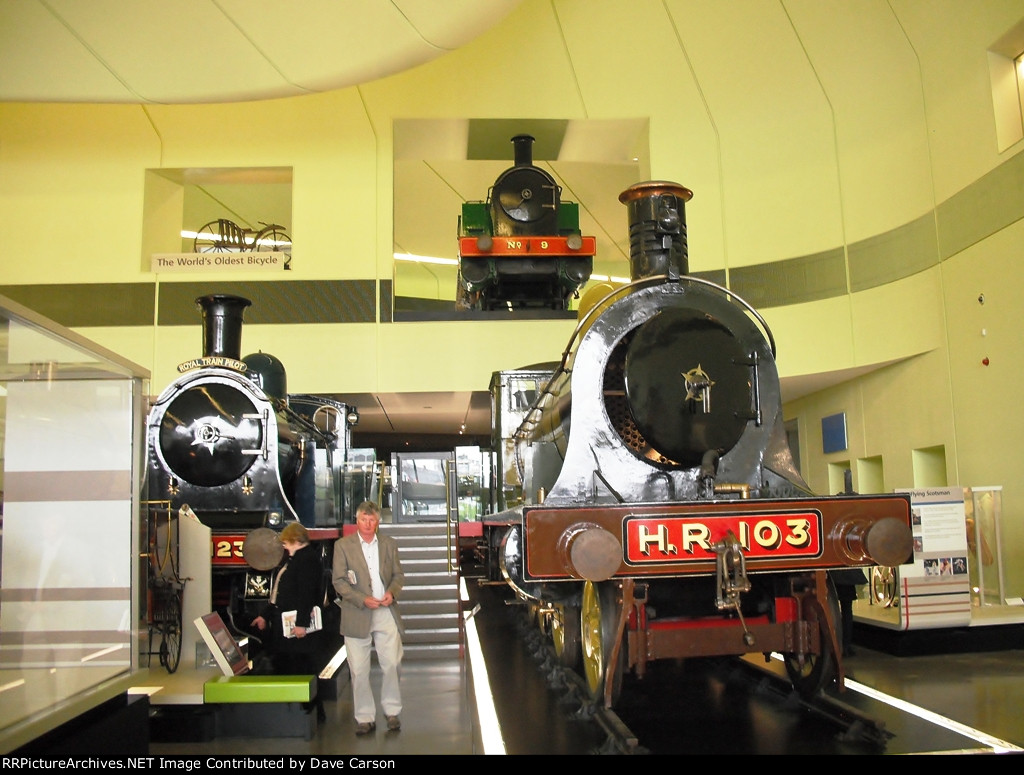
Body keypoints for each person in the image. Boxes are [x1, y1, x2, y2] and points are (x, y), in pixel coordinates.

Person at [333, 500, 405, 736]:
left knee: (392, 663)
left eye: (371, 519)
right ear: (357, 520)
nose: (367, 524)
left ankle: (392, 711)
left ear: (378, 522)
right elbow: (339, 581)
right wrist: (362, 599)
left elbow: (397, 575)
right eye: (363, 519)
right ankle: (364, 717)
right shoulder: (343, 546)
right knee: (359, 670)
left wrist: (391, 593)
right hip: (357, 614)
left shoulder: (389, 544)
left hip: (385, 611)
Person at [251, 521, 326, 721]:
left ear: (295, 540)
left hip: (296, 628)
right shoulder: (295, 559)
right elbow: (279, 593)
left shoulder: (307, 560)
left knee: (302, 667)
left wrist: (301, 623)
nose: (283, 545)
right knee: (295, 665)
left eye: (286, 541)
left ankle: (308, 711)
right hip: (287, 625)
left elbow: (306, 594)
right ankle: (303, 710)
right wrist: (265, 614)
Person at [829, 567, 868, 657]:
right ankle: (846, 645)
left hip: (833, 574)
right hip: (847, 573)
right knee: (847, 610)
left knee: (833, 610)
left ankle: (836, 645)